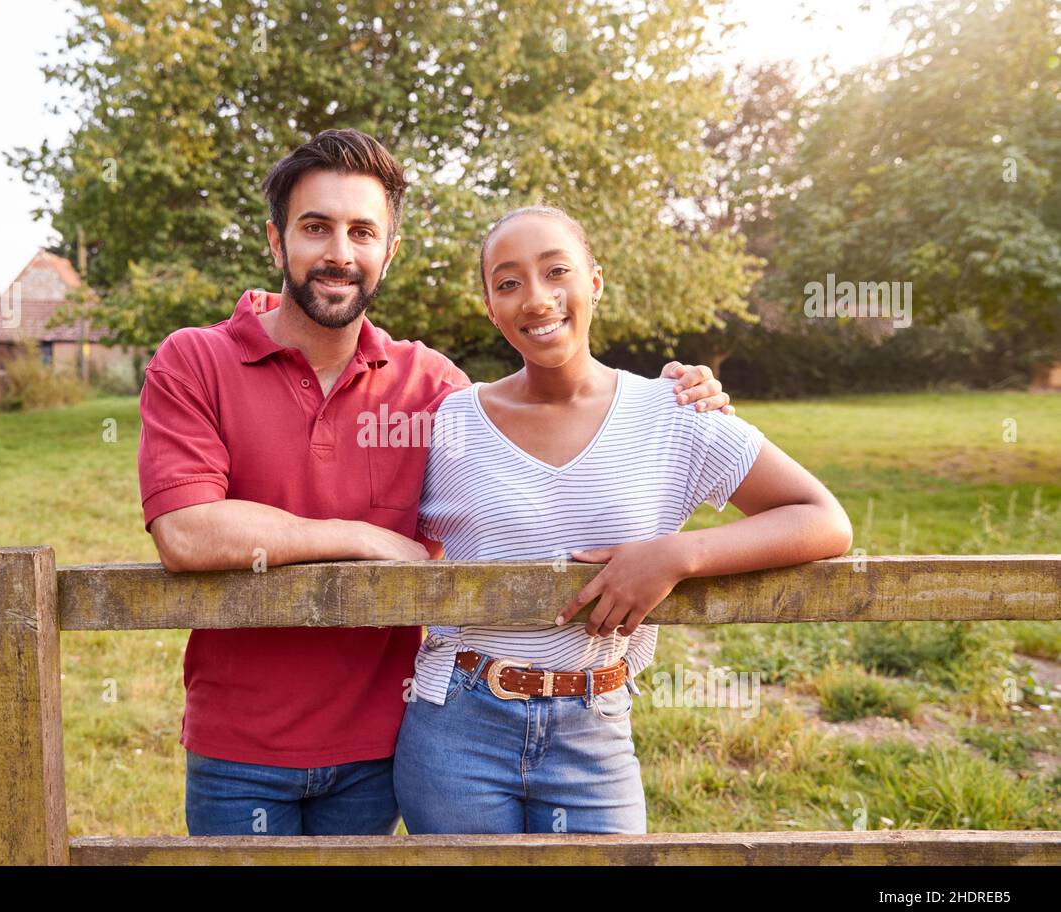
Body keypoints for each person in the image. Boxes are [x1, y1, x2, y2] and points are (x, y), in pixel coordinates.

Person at [137, 129, 733, 837]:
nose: (339, 252)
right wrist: (365, 538)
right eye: (315, 227)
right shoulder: (194, 361)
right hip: (238, 746)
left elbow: (544, 427)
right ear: (276, 242)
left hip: (381, 741)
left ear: (388, 253)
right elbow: (185, 531)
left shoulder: (432, 387)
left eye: (362, 231)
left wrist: (668, 393)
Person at [393, 204, 854, 834]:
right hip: (457, 726)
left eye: (557, 272)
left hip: (595, 723)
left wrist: (675, 557)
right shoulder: (448, 423)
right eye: (508, 283)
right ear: (490, 308)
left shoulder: (673, 410)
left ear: (595, 282)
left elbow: (822, 519)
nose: (536, 298)